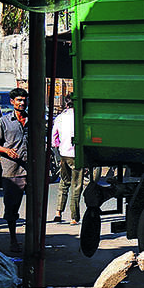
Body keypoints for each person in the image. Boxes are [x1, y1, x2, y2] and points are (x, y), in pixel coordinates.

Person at [0, 87, 28, 253]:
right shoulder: (3, 122)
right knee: (12, 208)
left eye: (24, 100)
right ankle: (13, 239)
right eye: (19, 100)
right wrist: (6, 151)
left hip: (31, 170)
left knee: (36, 208)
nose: (22, 103)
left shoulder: (31, 120)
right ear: (12, 102)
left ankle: (34, 240)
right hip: (12, 171)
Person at [51, 93, 82, 225]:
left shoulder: (60, 117)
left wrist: (60, 147)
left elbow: (54, 138)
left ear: (66, 104)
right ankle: (74, 217)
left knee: (64, 183)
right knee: (76, 186)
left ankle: (58, 212)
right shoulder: (80, 117)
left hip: (63, 154)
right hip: (76, 155)